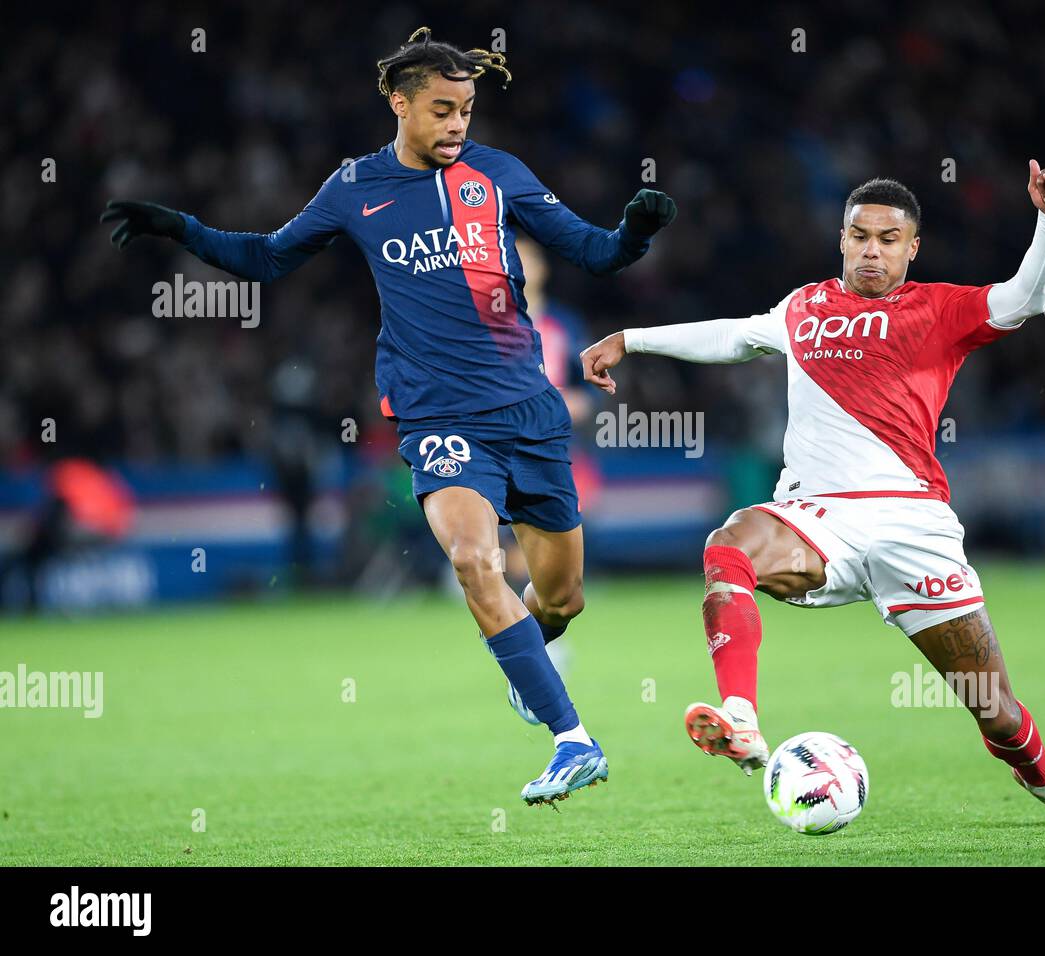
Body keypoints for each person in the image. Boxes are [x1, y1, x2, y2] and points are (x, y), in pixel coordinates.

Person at [100, 29, 676, 805]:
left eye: (466, 110)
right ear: (399, 104)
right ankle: (572, 738)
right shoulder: (354, 187)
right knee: (475, 559)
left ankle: (529, 670)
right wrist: (184, 230)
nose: (456, 125)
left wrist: (636, 230)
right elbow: (269, 257)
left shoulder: (499, 176)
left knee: (562, 598)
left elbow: (596, 252)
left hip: (529, 412)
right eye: (441, 110)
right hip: (436, 414)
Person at [580, 162, 1045, 830]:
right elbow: (737, 335)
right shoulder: (804, 306)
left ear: (911, 246)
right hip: (817, 517)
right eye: (860, 235)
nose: (872, 249)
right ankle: (743, 720)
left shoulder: (940, 308)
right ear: (841, 238)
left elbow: (1025, 299)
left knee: (996, 710)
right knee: (729, 545)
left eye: (888, 238)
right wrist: (631, 340)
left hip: (911, 523)